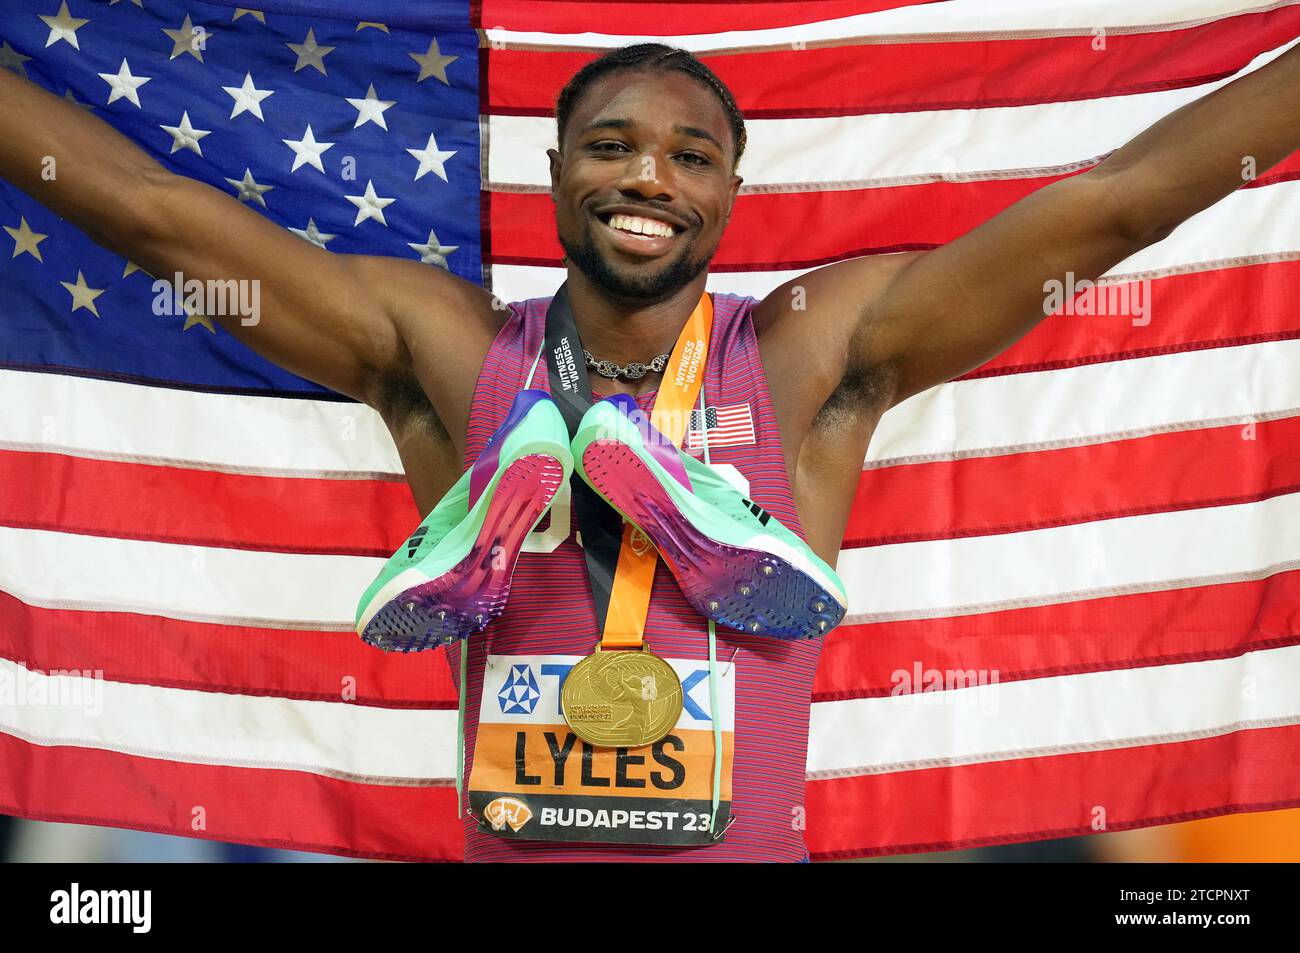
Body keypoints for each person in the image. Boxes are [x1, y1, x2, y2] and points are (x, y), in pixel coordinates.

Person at [2, 41, 1298, 862]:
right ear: (557, 166)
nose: (649, 177)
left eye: (690, 153)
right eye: (613, 145)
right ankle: (518, 513)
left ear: (733, 187)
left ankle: (630, 509)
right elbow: (160, 221)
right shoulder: (452, 347)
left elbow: (1113, 205)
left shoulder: (804, 355)